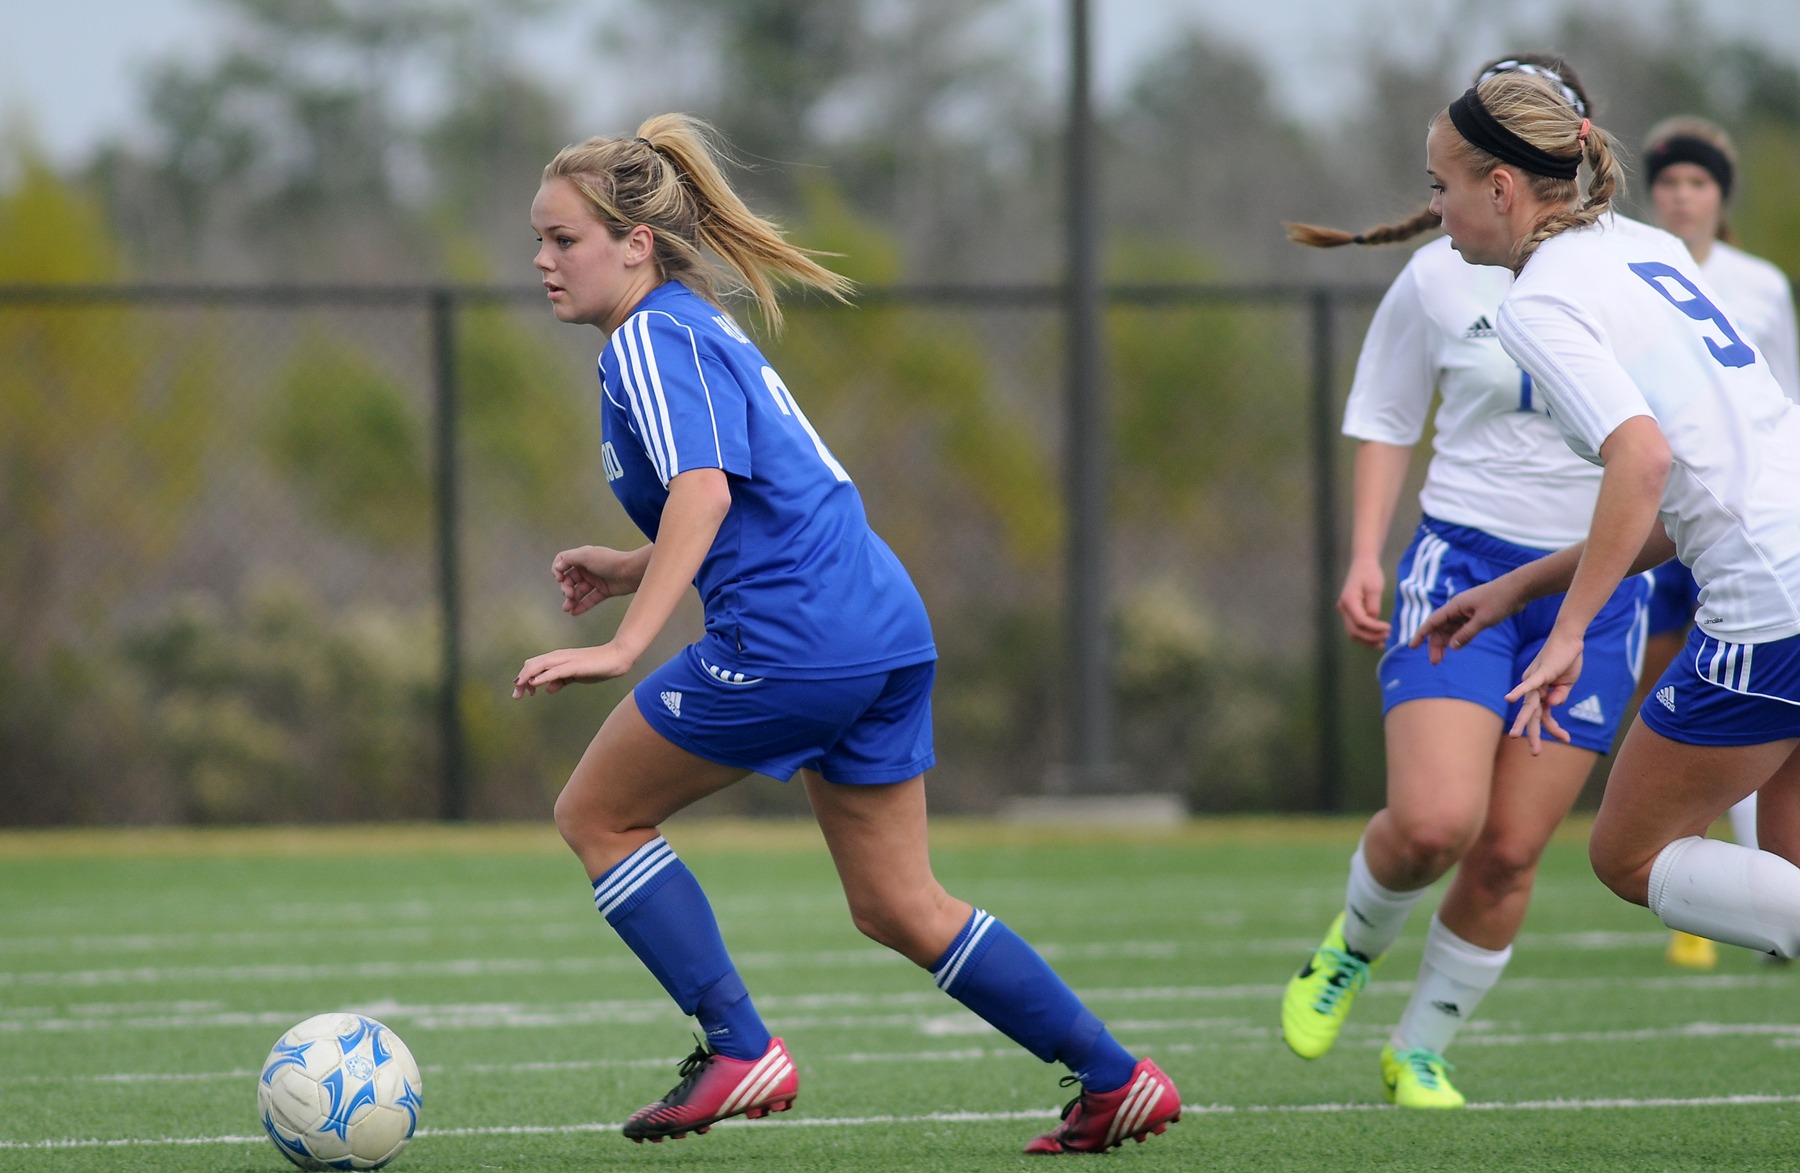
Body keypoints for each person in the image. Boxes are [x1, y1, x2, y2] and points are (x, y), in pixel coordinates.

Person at [511, 113, 1181, 1154]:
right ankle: (1114, 1079)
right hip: (879, 627)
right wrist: (632, 565)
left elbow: (701, 489)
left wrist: (624, 642)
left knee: (598, 816)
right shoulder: (690, 321)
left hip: (794, 639)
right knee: (900, 905)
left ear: (635, 244)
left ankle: (739, 1050)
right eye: (540, 241)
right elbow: (760, 492)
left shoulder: (649, 337)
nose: (543, 261)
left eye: (564, 240)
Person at [1278, 56, 1649, 1110]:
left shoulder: (1633, 267)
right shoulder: (1441, 269)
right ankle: (1349, 947)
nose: (1432, 200)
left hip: (1598, 587)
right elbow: (1388, 417)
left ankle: (1422, 1045)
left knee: (1510, 855)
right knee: (1436, 822)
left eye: (1445, 177)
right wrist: (1363, 554)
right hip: (1467, 569)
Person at [1409, 74, 1800, 991]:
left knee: (1631, 853)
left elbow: (1644, 461)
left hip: (1771, 599)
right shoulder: (1643, 244)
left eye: (1440, 184)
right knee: (1783, 869)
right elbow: (1692, 486)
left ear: (1501, 188)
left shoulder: (1538, 302)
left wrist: (1572, 630)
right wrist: (1522, 589)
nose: (1433, 208)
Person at [1632, 118, 1800, 967]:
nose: (1681, 196)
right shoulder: (1632, 279)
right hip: (1671, 521)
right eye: (1668, 184)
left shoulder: (1759, 284)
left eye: (1697, 184)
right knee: (1676, 704)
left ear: (1720, 197)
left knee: (1758, 714)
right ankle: (1700, 897)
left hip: (1752, 537)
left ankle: (1746, 892)